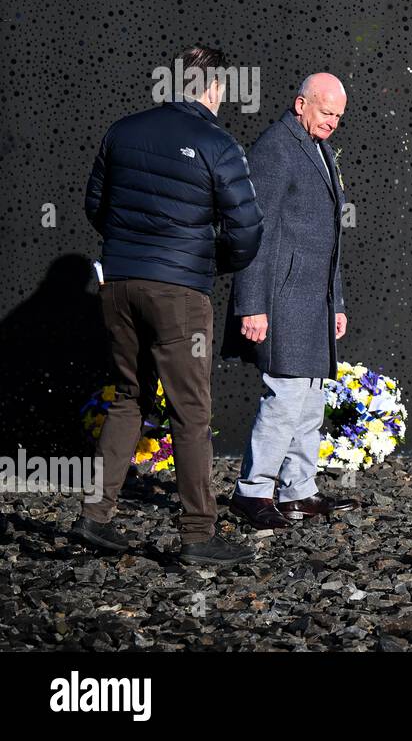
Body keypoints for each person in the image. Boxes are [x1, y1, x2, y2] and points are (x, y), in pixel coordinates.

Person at [74, 45, 264, 567]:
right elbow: (247, 229)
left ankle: (95, 516)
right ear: (215, 88)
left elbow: (96, 204)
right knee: (191, 410)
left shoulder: (123, 130)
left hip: (118, 283)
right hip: (178, 291)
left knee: (128, 396)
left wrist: (131, 249)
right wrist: (203, 261)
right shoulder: (217, 142)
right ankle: (199, 534)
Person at [222, 73, 358, 529]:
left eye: (338, 116)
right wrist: (251, 304)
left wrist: (335, 302)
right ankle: (253, 491)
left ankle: (299, 490)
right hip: (282, 298)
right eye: (325, 112)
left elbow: (329, 239)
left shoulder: (317, 148)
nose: (333, 122)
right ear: (301, 104)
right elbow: (254, 232)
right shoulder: (275, 148)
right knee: (285, 397)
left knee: (311, 398)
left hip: (313, 301)